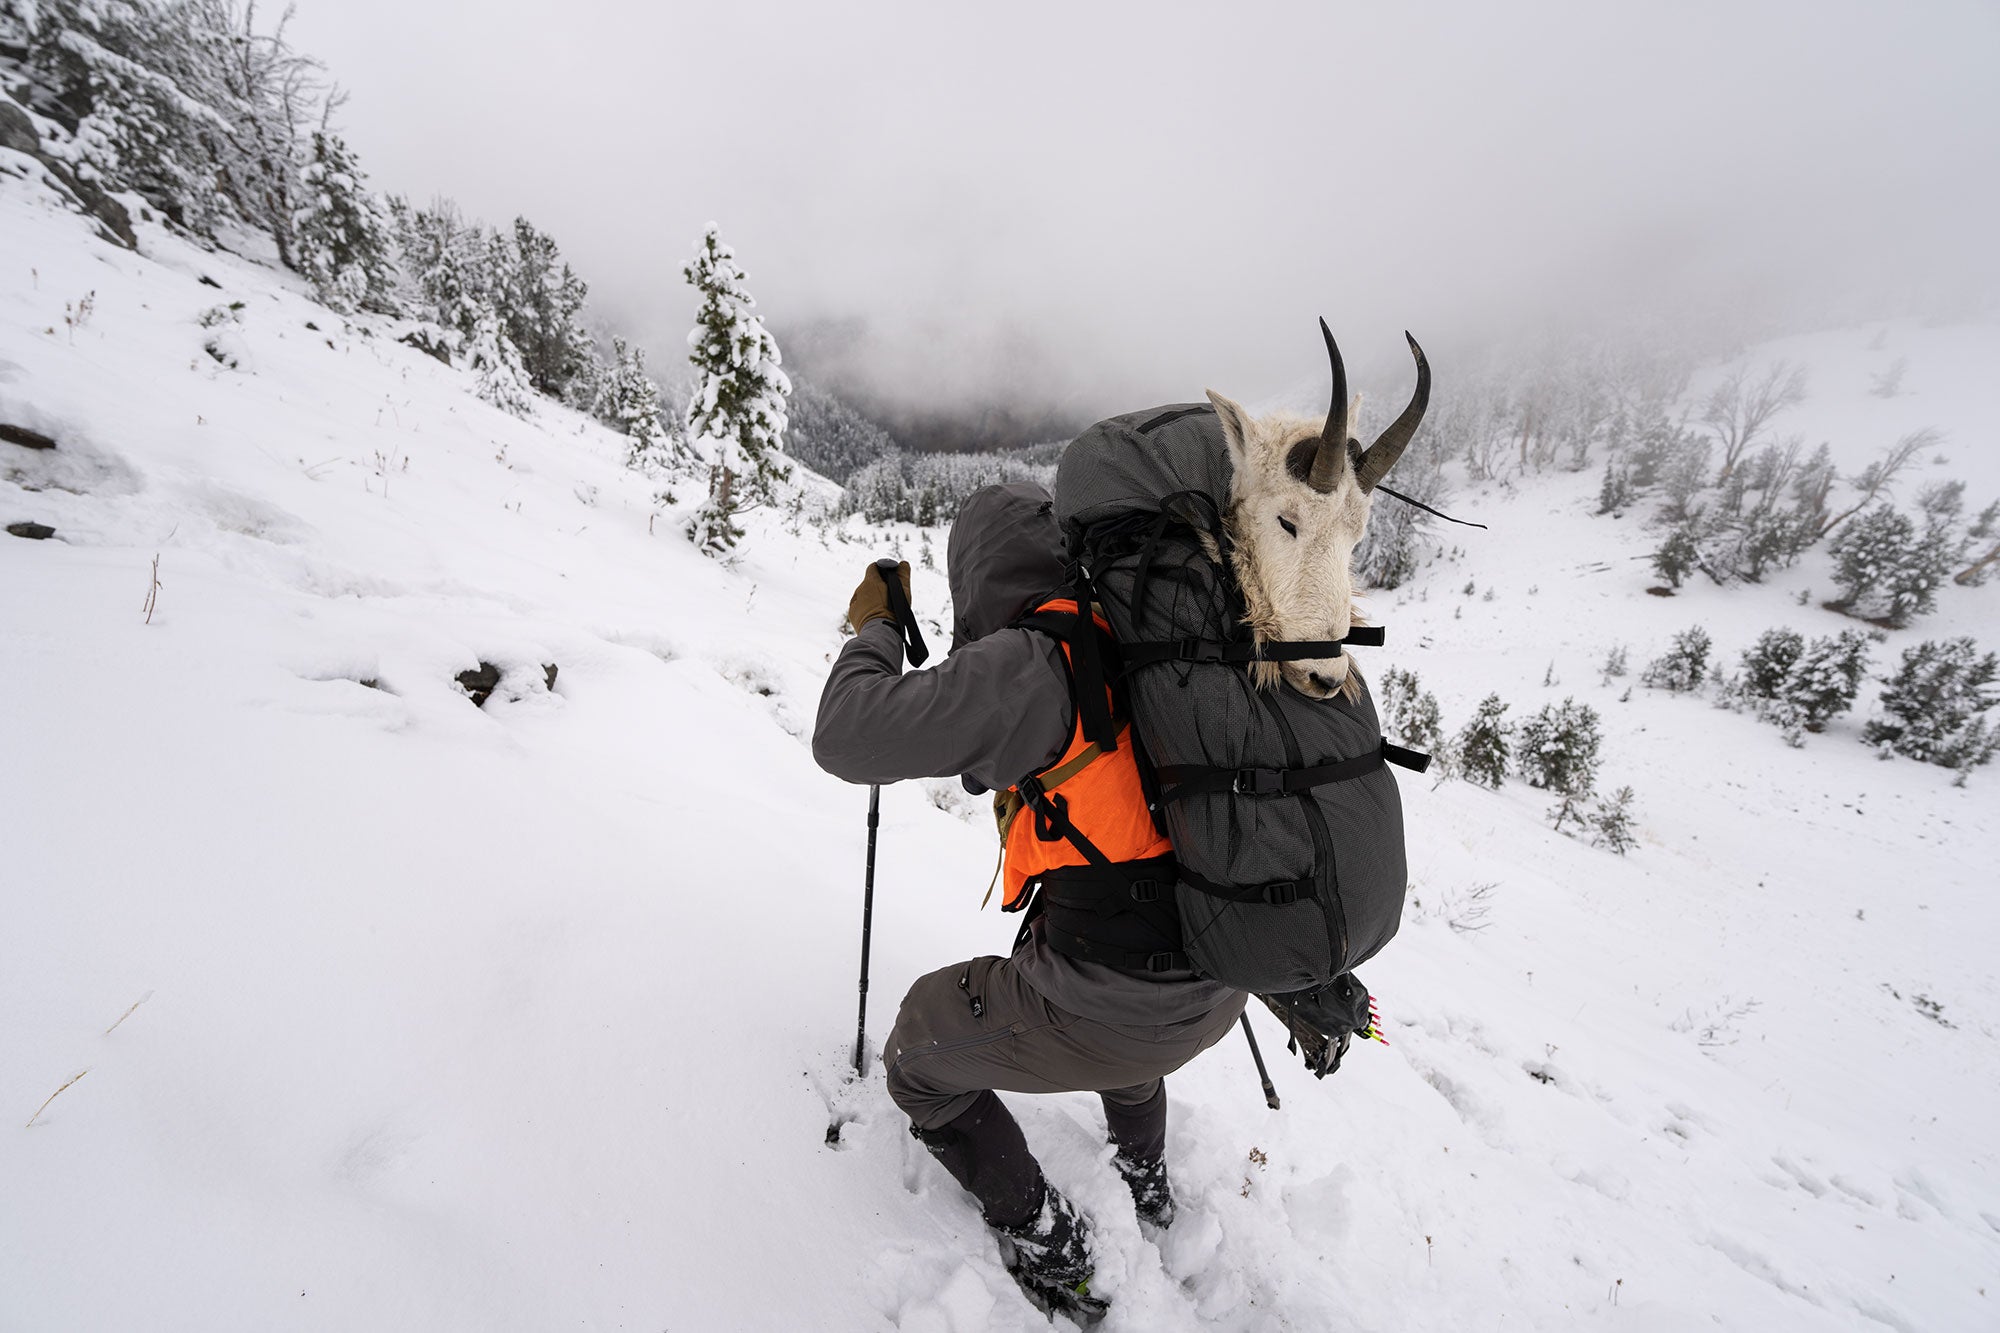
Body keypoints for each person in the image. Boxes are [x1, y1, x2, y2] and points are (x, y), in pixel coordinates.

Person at [812, 480, 1247, 1316]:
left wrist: (877, 627)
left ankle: (1055, 1242)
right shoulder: (1145, 642)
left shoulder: (1032, 662)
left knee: (916, 1054)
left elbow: (847, 733)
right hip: (1222, 977)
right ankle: (1147, 1184)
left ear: (976, 577)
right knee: (1128, 1028)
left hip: (1119, 1014)